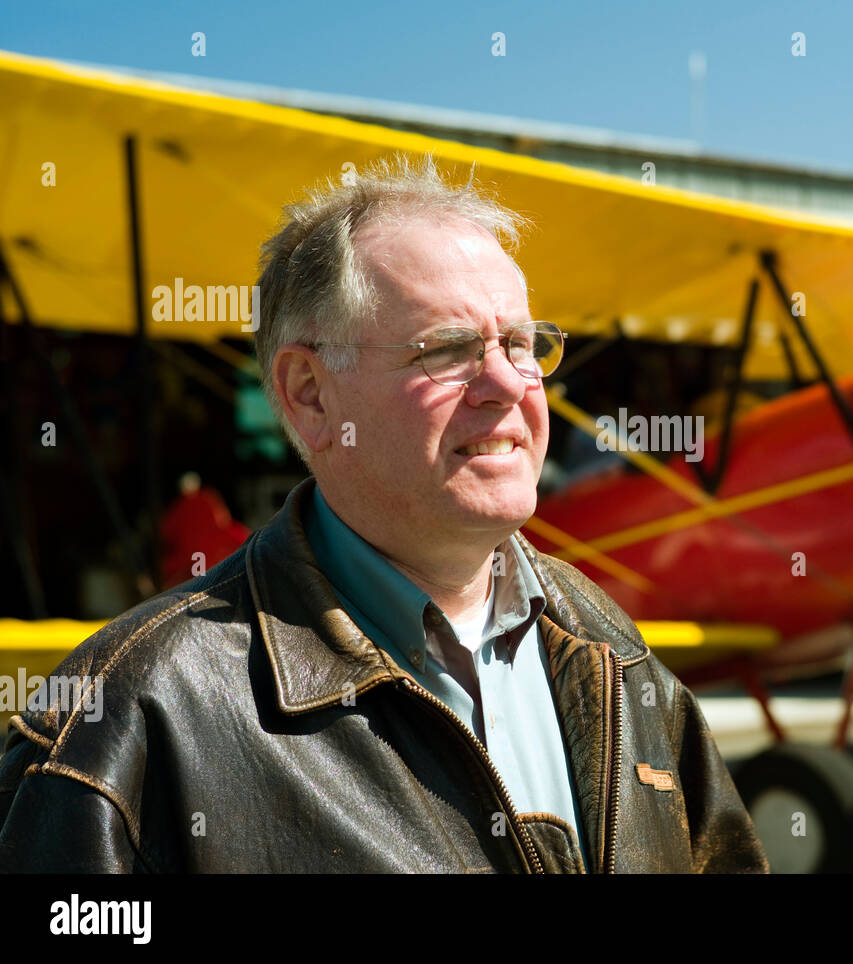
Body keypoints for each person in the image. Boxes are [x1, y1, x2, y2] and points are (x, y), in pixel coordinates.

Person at [0, 154, 768, 874]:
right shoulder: (127, 717)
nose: (509, 383)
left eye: (524, 342)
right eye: (449, 349)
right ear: (310, 395)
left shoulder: (609, 645)